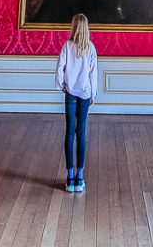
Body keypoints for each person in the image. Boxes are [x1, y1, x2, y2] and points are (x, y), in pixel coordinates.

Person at [55, 14, 97, 193]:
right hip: (85, 94)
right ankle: (80, 177)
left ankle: (70, 176)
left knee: (69, 132)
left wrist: (61, 86)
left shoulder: (66, 46)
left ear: (73, 27)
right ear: (87, 28)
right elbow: (93, 73)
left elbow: (59, 68)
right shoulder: (91, 48)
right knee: (81, 133)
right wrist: (93, 94)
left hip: (70, 93)